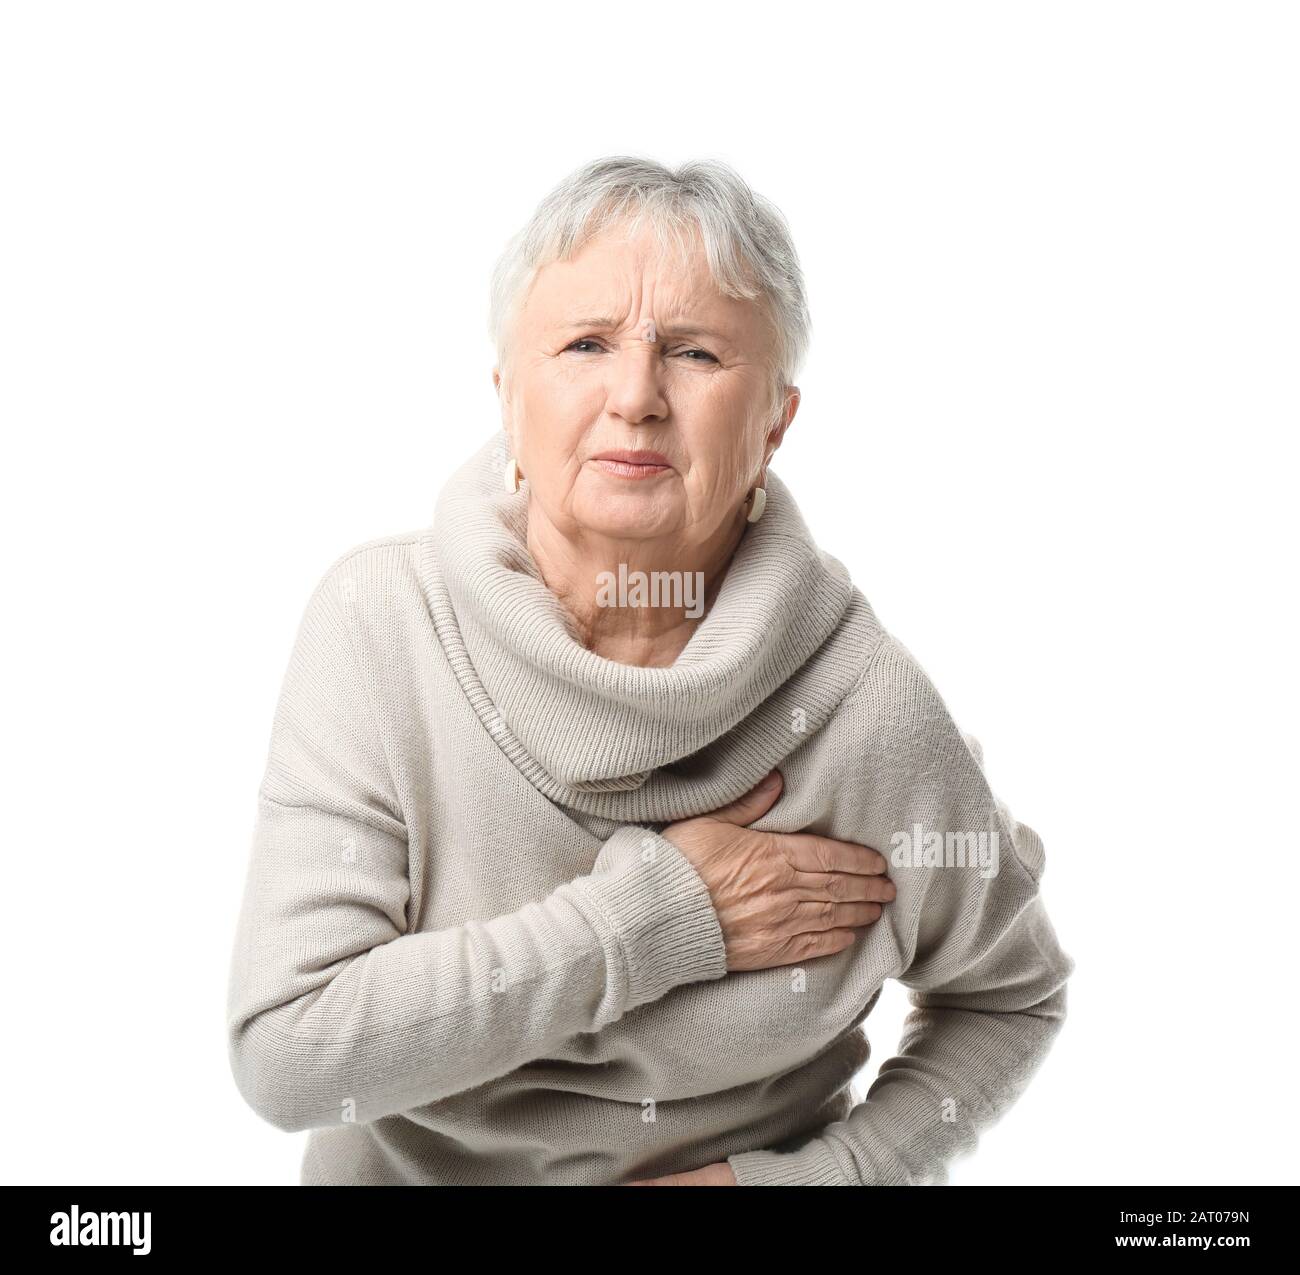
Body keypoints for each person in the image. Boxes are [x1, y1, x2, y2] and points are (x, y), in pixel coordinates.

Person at [226, 154, 1074, 1185]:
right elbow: (289, 1054)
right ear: (509, 400)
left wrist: (810, 1182)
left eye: (696, 353)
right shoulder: (382, 625)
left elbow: (1009, 995)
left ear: (774, 425)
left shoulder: (863, 708)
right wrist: (664, 920)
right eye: (585, 344)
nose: (635, 397)